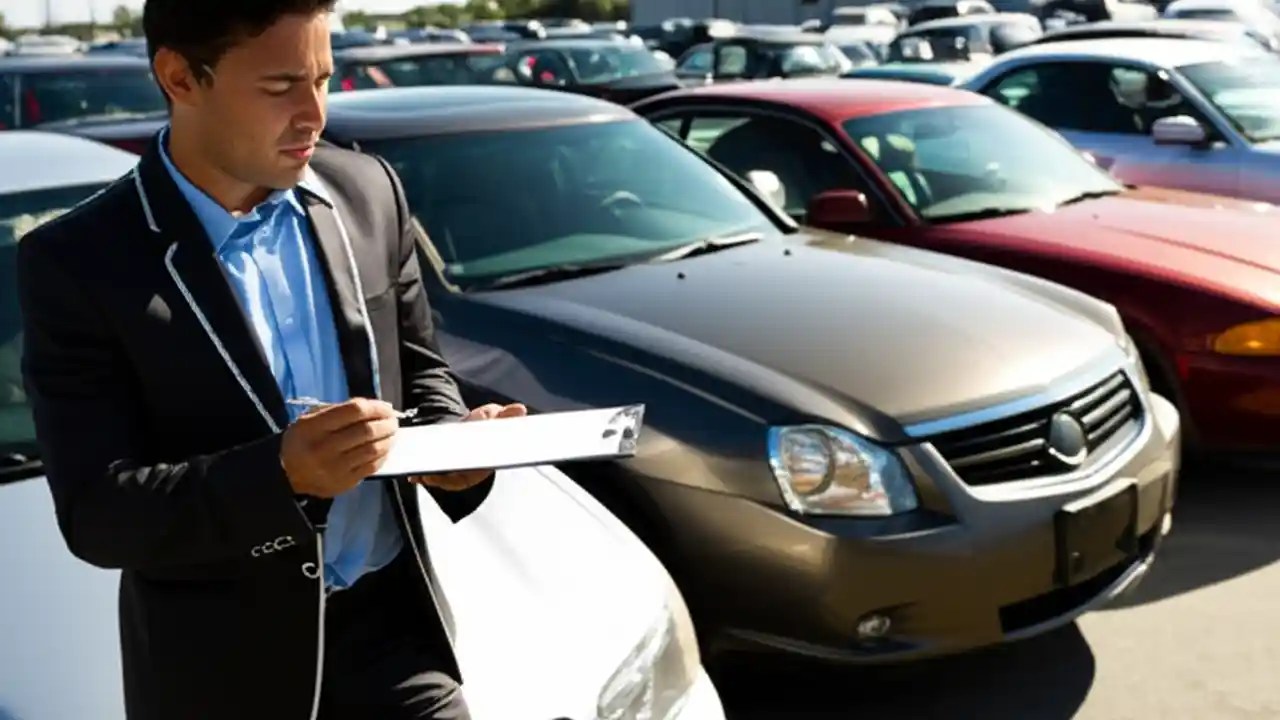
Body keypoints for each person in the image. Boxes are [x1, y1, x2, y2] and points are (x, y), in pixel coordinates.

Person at [16, 1, 526, 718]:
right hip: (221, 677)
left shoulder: (368, 192)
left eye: (323, 77)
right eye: (282, 85)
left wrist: (450, 443)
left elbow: (420, 368)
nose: (314, 113)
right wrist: (281, 475)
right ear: (179, 78)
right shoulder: (78, 262)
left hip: (396, 646)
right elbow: (100, 514)